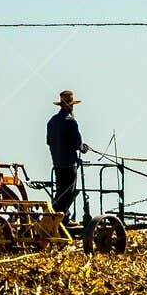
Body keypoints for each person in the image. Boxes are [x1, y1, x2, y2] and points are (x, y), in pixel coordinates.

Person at [46, 90, 88, 218]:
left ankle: (60, 215)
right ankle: (60, 215)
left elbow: (49, 142)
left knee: (60, 191)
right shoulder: (71, 121)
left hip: (57, 163)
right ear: (71, 106)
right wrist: (83, 148)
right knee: (69, 192)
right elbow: (77, 144)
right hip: (69, 163)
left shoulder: (52, 121)